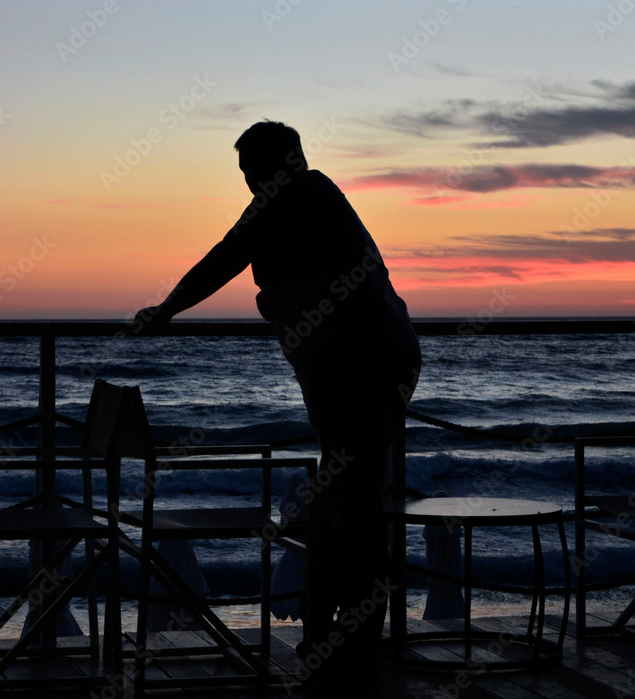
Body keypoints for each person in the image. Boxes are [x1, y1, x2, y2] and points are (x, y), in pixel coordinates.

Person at [135, 120, 421, 676]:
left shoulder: (298, 193)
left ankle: (353, 645)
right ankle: (336, 638)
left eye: (253, 172)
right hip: (364, 357)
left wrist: (165, 310)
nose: (248, 184)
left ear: (282, 163)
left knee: (354, 503)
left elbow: (227, 256)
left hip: (360, 361)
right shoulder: (306, 198)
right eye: (244, 175)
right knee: (341, 499)